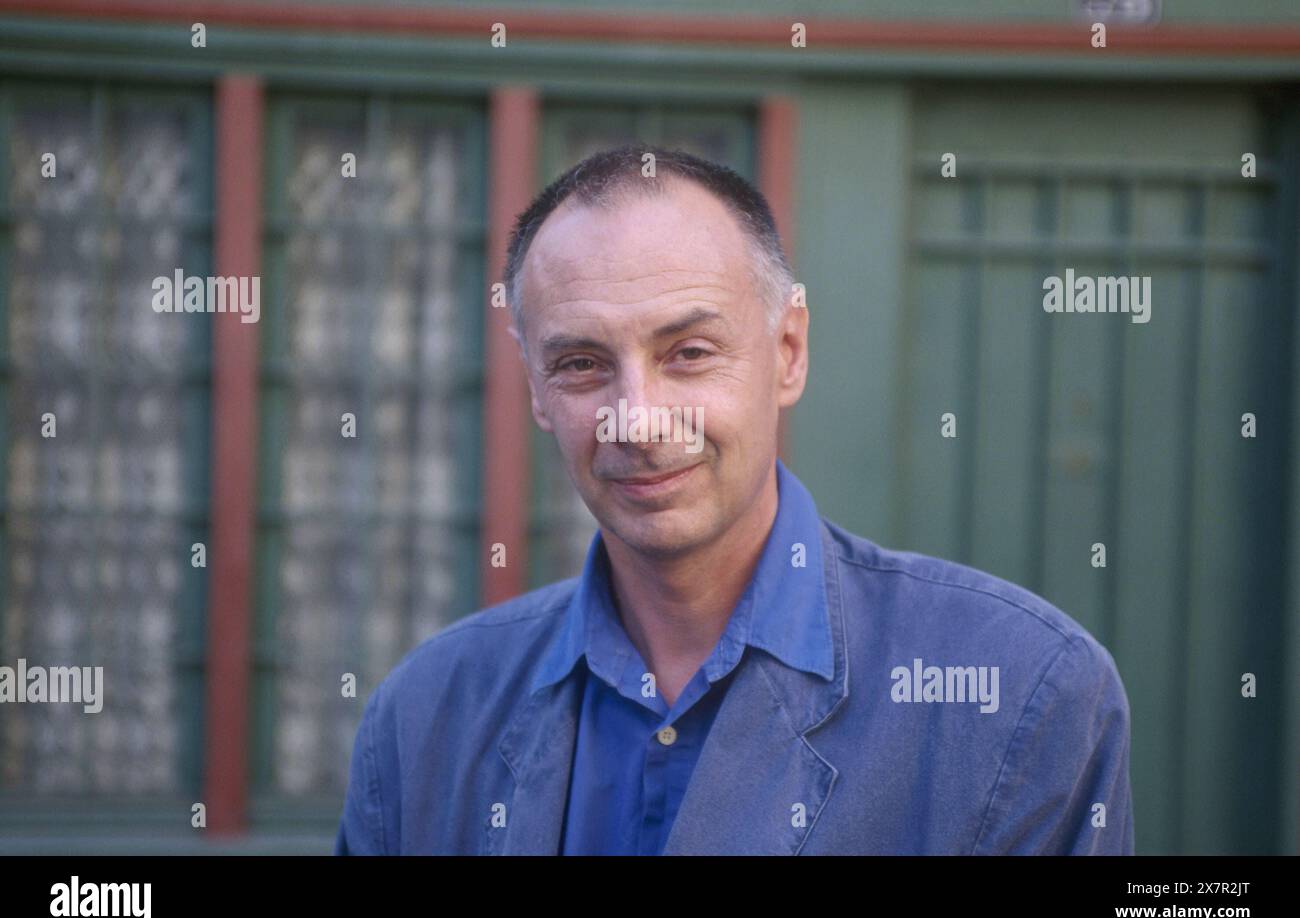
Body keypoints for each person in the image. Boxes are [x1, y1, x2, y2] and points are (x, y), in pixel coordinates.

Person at [335, 145, 1134, 855]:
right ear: (538, 392)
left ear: (788, 352)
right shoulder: (425, 717)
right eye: (581, 364)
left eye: (688, 352)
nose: (638, 419)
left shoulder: (1020, 692)